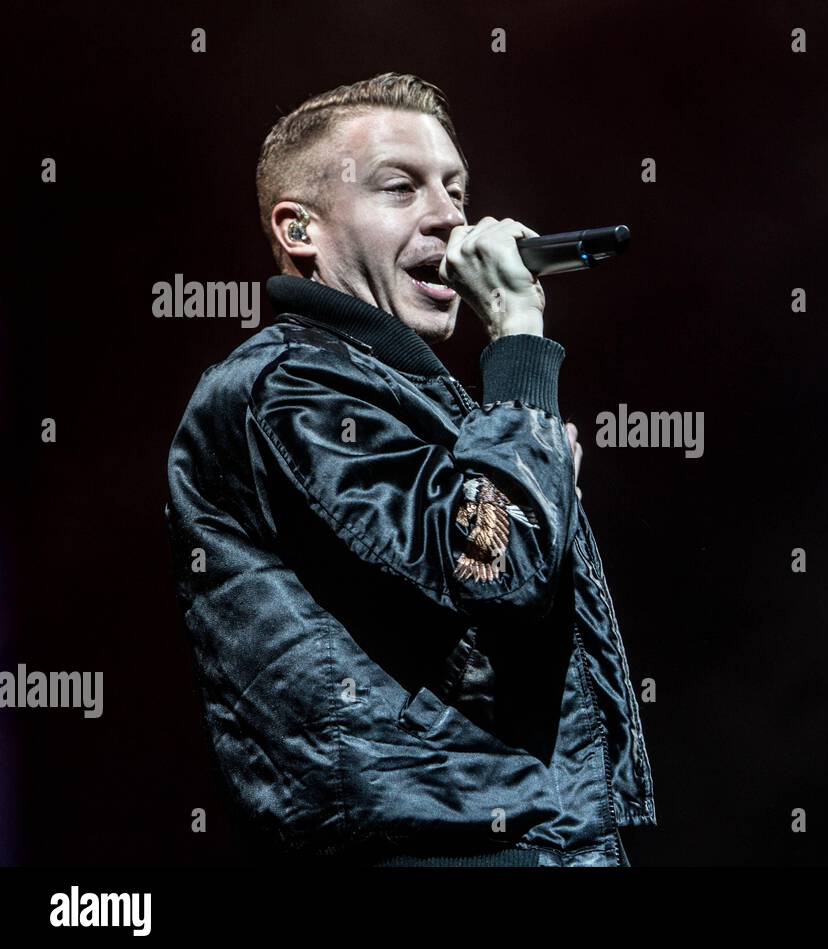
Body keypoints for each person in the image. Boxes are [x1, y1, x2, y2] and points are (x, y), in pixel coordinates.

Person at [164, 72, 655, 867]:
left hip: (533, 836)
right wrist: (520, 343)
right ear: (301, 230)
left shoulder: (428, 404)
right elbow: (498, 565)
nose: (451, 217)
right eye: (403, 188)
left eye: (456, 189)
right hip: (435, 843)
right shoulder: (286, 383)